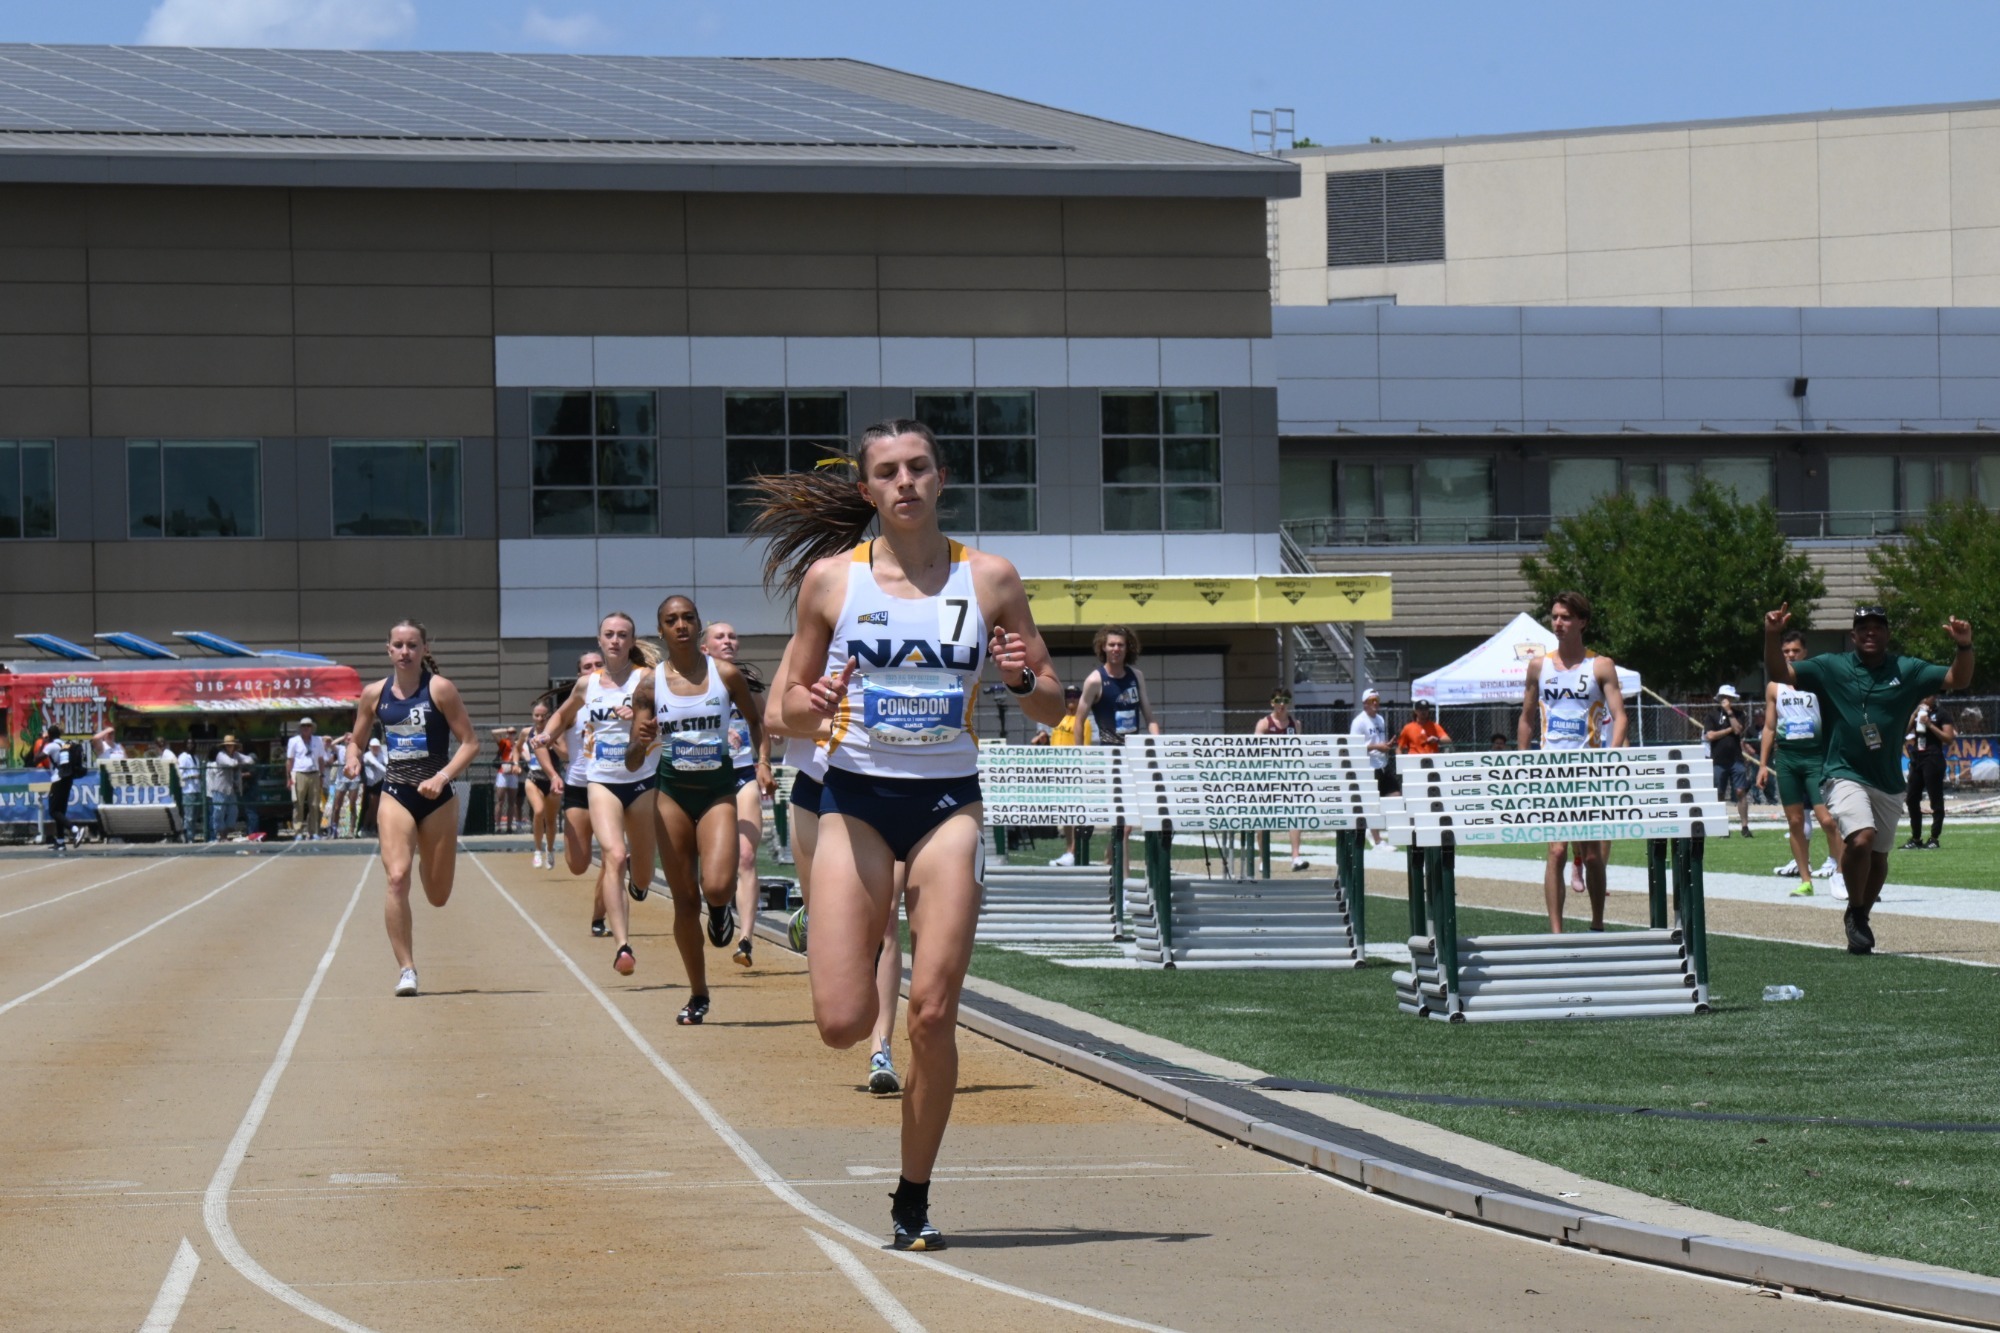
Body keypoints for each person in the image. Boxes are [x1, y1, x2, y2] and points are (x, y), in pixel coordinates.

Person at [758, 418, 1063, 1250]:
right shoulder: (829, 582)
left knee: (931, 1013)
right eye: (887, 471)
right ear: (867, 490)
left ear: (941, 478)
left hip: (947, 805)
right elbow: (779, 705)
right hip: (853, 800)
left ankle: (913, 1194)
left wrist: (1021, 677)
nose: (905, 483)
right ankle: (836, 927)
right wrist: (806, 705)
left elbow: (1053, 701)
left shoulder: (990, 578)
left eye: (918, 467)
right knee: (841, 1022)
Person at [1765, 603, 1972, 955]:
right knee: (1860, 839)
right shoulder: (1831, 666)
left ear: (1888, 634)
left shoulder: (1907, 669)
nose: (1870, 632)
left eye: (1878, 626)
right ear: (1853, 635)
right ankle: (1855, 908)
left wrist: (1964, 646)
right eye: (1863, 627)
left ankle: (1858, 912)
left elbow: (1959, 679)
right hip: (1843, 771)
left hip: (1889, 778)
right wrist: (1772, 635)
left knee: (1878, 857)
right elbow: (1779, 673)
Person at [626, 597, 765, 1023]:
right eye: (672, 621)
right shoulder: (649, 686)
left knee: (718, 886)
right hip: (671, 794)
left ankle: (721, 910)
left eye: (688, 618)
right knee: (685, 900)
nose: (681, 626)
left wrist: (762, 762)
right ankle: (698, 993)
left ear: (698, 625)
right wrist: (641, 737)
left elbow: (757, 722)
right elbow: (632, 760)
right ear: (661, 630)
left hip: (717, 790)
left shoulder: (725, 675)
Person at [346, 620, 480, 997]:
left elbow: (470, 743)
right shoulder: (374, 694)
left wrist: (442, 776)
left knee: (438, 895)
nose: (405, 652)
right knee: (396, 878)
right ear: (388, 650)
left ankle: (427, 860)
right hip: (396, 793)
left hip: (437, 799)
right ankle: (407, 969)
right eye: (398, 645)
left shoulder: (439, 689)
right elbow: (355, 741)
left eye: (412, 645)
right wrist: (352, 759)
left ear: (423, 650)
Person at [540, 616, 660, 976]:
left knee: (642, 873)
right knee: (614, 855)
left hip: (642, 779)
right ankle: (622, 944)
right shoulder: (585, 685)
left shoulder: (648, 680)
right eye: (609, 635)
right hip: (601, 780)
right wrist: (546, 736)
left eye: (622, 635)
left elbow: (669, 718)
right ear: (599, 639)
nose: (615, 641)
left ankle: (638, 887)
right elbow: (560, 717)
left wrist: (639, 714)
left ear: (632, 640)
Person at [1518, 590, 1628, 933]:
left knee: (1592, 855)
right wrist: (1523, 763)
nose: (1559, 623)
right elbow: (1526, 718)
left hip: (1588, 771)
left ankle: (1597, 924)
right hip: (1551, 771)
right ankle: (1556, 932)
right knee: (1556, 852)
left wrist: (1609, 757)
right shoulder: (1540, 666)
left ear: (1582, 622)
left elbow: (1620, 716)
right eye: (1555, 617)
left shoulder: (1601, 665)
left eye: (1566, 617)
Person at [701, 620, 776, 969]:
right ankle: (718, 911)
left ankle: (746, 939)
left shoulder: (747, 686)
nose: (728, 641)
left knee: (746, 857)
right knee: (712, 864)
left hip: (742, 775)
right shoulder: (686, 686)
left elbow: (761, 725)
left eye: (733, 635)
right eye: (720, 636)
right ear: (705, 647)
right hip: (701, 780)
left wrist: (763, 762)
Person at [1756, 629, 1844, 899]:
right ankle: (1805, 880)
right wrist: (1762, 764)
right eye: (1785, 652)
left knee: (1828, 820)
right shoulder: (1774, 686)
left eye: (1795, 651)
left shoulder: (1816, 679)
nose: (1791, 655)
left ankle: (1840, 874)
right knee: (1795, 822)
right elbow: (1770, 727)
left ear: (1804, 652)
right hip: (1787, 759)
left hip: (1815, 757)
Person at [535, 651, 607, 933]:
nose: (593, 669)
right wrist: (554, 775)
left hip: (612, 786)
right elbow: (539, 742)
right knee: (578, 864)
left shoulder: (626, 696)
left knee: (614, 855)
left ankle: (599, 917)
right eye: (587, 666)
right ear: (579, 674)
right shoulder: (574, 708)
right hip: (579, 787)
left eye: (598, 665)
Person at [1255, 689, 1312, 872]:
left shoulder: (1295, 724)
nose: (1282, 704)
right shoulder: (1264, 724)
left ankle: (1296, 856)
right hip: (1267, 776)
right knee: (1263, 818)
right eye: (1278, 700)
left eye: (1285, 701)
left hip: (1288, 775)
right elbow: (1254, 751)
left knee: (1294, 814)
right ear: (1272, 702)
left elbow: (1299, 750)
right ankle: (1263, 858)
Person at [1044, 685, 1093, 867]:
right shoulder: (1059, 719)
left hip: (1073, 772)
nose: (1071, 699)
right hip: (1058, 771)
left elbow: (1085, 747)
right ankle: (1068, 849)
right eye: (1068, 695)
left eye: (1075, 696)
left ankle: (1074, 850)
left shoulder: (1083, 722)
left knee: (1074, 813)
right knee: (1064, 813)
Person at [1904, 695, 1956, 850]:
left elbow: (1948, 738)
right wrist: (1914, 715)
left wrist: (1930, 724)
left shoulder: (1941, 714)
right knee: (1912, 798)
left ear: (1934, 698)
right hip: (1918, 757)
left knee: (1935, 800)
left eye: (1927, 696)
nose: (1924, 699)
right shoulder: (1917, 712)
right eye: (1922, 696)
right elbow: (1904, 732)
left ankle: (1934, 838)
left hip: (1933, 758)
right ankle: (1916, 838)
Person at [1349, 688, 1395, 846]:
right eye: (1371, 701)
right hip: (1368, 766)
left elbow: (1379, 741)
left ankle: (1375, 829)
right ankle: (1377, 840)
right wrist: (1377, 747)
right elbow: (1353, 747)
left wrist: (1385, 746)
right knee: (1372, 804)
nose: (1375, 703)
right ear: (1364, 704)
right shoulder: (1359, 722)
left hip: (1382, 764)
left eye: (1377, 700)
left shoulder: (1380, 719)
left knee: (1395, 797)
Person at [1703, 686, 1750, 837]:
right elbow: (1709, 736)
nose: (1727, 701)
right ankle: (1722, 827)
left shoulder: (1739, 714)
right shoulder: (1711, 715)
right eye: (1725, 697)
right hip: (1719, 760)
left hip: (1736, 758)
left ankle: (1744, 827)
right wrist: (1728, 730)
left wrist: (1730, 713)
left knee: (1740, 791)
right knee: (1719, 793)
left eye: (1729, 698)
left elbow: (1738, 730)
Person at [30, 724, 85, 852]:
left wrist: (43, 743)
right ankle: (60, 842)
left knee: (54, 811)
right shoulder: (65, 745)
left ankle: (75, 830)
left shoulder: (50, 746)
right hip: (68, 779)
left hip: (58, 779)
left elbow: (36, 759)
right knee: (60, 811)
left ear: (49, 736)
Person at [521, 702, 556, 868]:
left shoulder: (555, 733)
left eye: (543, 715)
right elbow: (517, 746)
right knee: (539, 811)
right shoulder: (527, 732)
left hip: (552, 781)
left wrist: (551, 742)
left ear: (548, 716)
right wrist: (515, 762)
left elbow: (565, 753)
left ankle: (549, 849)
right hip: (533, 778)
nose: (540, 719)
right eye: (537, 715)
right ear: (532, 716)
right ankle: (537, 850)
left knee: (550, 820)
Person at [285, 717, 331, 840]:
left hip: (314, 773)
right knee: (298, 803)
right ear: (300, 728)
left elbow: (321, 759)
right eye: (304, 726)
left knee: (315, 804)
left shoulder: (318, 740)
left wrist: (322, 775)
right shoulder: (293, 741)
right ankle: (298, 831)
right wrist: (289, 777)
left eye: (308, 726)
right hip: (299, 773)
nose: (306, 728)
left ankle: (314, 831)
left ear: (312, 728)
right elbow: (290, 760)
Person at [206, 734, 251, 841]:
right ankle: (220, 835)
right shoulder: (220, 755)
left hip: (231, 789)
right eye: (227, 745)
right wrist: (240, 762)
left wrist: (240, 761)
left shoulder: (236, 755)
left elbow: (249, 760)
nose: (229, 747)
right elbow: (231, 763)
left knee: (233, 811)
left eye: (231, 745)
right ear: (224, 746)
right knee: (219, 811)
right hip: (220, 788)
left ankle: (225, 833)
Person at [324, 732, 360, 838]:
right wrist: (342, 737)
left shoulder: (357, 749)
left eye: (350, 739)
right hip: (341, 779)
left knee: (352, 805)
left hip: (354, 778)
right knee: (336, 806)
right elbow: (331, 744)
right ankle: (334, 829)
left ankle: (351, 830)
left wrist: (353, 739)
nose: (348, 740)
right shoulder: (340, 748)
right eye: (347, 739)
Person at [359, 736, 387, 836]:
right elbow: (377, 765)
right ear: (370, 747)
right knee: (370, 807)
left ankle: (374, 827)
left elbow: (387, 762)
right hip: (370, 784)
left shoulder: (381, 754)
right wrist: (390, 772)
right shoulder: (367, 755)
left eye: (377, 747)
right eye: (373, 747)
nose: (375, 748)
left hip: (379, 783)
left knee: (377, 807)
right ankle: (365, 827)